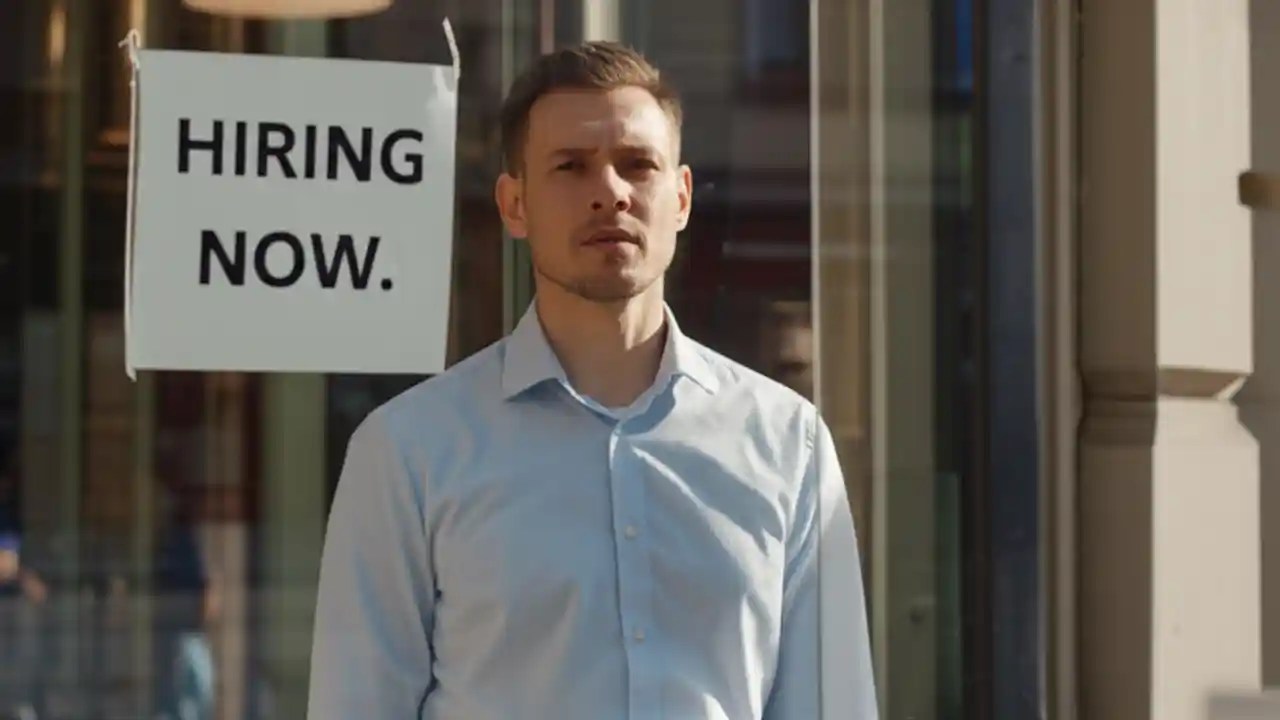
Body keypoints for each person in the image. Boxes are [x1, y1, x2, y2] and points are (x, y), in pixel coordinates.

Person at [307, 41, 876, 719]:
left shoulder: (787, 445)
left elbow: (831, 703)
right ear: (514, 205)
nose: (610, 192)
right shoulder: (410, 452)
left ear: (683, 197)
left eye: (638, 165)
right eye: (571, 168)